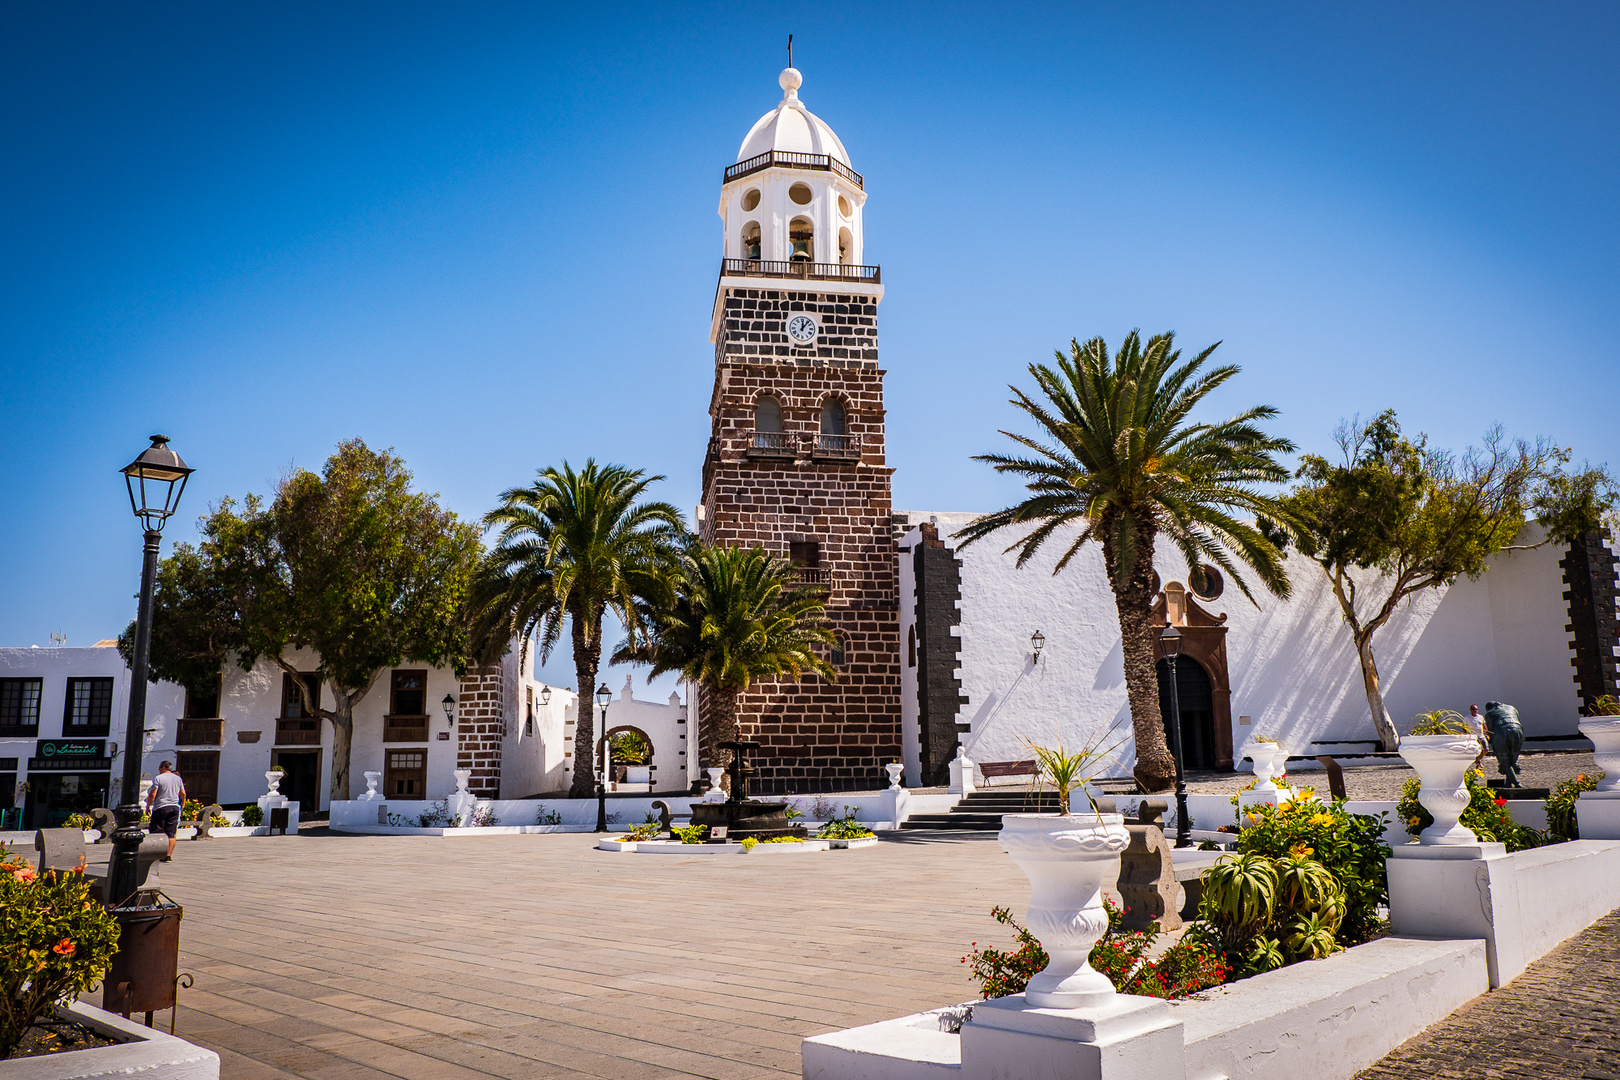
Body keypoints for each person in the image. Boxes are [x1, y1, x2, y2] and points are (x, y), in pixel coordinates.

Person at [145, 760, 186, 862]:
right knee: (171, 833)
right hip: (174, 807)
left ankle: (155, 854)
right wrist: (183, 803)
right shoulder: (178, 778)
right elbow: (183, 793)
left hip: (161, 807)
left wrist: (148, 806)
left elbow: (153, 794)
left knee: (156, 831)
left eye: (159, 767)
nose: (158, 769)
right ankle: (168, 855)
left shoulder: (159, 778)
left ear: (163, 767)